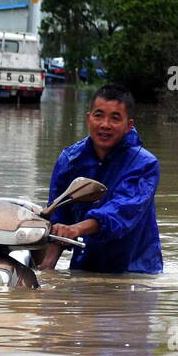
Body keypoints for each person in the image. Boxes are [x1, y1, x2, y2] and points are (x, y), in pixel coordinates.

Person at [37, 84, 162, 274]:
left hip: (136, 271)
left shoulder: (145, 164)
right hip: (85, 268)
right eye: (99, 115)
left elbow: (121, 212)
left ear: (129, 125)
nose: (105, 124)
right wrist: (46, 268)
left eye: (115, 118)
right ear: (88, 119)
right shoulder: (70, 160)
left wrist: (75, 229)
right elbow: (59, 217)